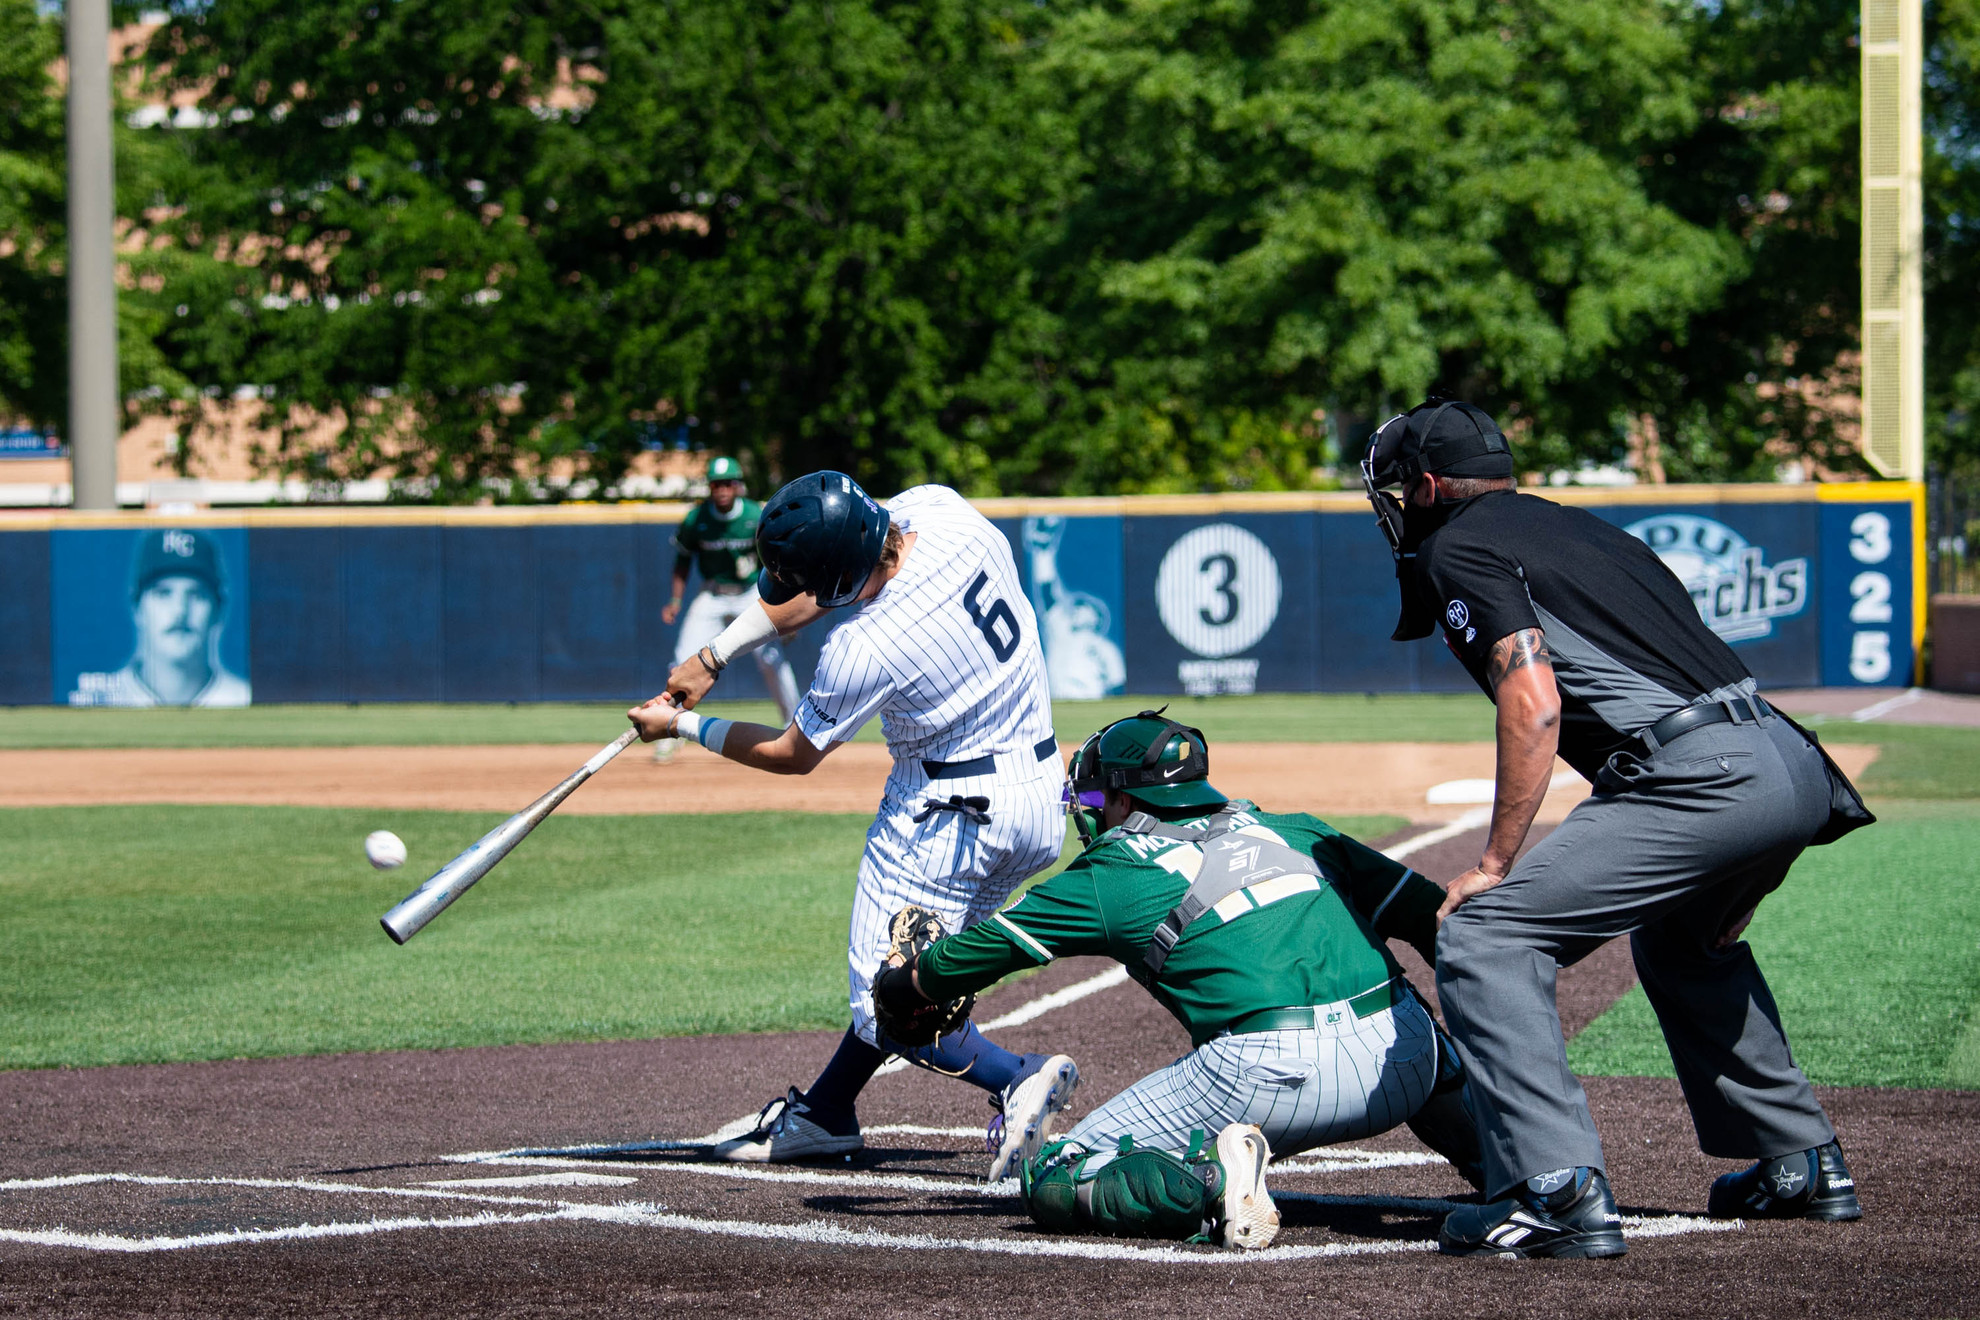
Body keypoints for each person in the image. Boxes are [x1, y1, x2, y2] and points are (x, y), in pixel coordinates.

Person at [1359, 398, 1869, 1261]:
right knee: (1683, 944)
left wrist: (1493, 862)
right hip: (1789, 762)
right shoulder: (1585, 530)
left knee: (1487, 934)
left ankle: (1555, 1191)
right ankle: (1801, 1162)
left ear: (1432, 485)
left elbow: (1533, 701)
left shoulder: (1459, 545)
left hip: (1702, 778)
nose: (1399, 508)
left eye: (1402, 491)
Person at [874, 711, 1485, 1250]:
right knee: (1424, 1031)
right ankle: (1522, 1170)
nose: (1091, 816)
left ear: (1123, 799)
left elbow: (984, 950)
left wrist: (908, 986)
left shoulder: (1114, 869)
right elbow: (1439, 922)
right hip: (1404, 1064)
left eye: (1093, 802)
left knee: (1058, 1173)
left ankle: (1213, 1181)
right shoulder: (1296, 829)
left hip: (1271, 1079)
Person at [630, 471, 1077, 1174]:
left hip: (946, 818)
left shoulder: (864, 646)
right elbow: (824, 582)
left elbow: (791, 753)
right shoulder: (944, 512)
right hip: (1038, 800)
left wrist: (683, 724)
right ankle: (826, 1113)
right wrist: (714, 656)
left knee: (890, 999)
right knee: (910, 964)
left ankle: (1019, 1076)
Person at [650, 456, 800, 762]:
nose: (722, 489)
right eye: (716, 484)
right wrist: (676, 600)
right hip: (712, 595)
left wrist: (785, 608)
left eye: (728, 483)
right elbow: (682, 561)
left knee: (771, 659)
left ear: (737, 486)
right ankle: (669, 727)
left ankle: (794, 726)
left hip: (749, 593)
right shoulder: (697, 519)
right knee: (681, 661)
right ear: (710, 487)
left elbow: (775, 560)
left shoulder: (753, 515)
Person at [71, 528, 250, 707]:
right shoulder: (104, 702)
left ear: (219, 610)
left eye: (197, 595)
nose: (180, 611)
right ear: (136, 607)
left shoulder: (242, 697)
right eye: (163, 593)